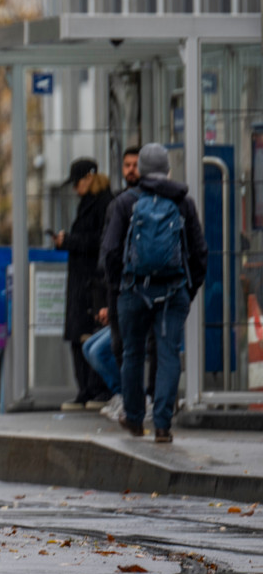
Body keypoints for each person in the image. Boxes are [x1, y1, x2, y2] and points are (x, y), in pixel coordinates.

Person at [98, 143, 207, 443]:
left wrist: (120, 286)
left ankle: (134, 418)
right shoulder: (183, 202)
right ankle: (162, 425)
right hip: (173, 291)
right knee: (168, 352)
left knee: (132, 353)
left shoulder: (125, 202)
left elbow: (109, 252)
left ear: (141, 171)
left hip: (134, 290)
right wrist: (188, 288)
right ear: (167, 170)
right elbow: (199, 253)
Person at [53, 158, 115, 410]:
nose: (75, 188)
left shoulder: (103, 203)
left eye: (77, 182)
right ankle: (86, 390)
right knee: (79, 334)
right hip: (82, 281)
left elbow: (98, 241)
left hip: (93, 281)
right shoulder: (89, 203)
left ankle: (98, 390)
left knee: (90, 333)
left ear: (88, 178)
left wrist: (69, 241)